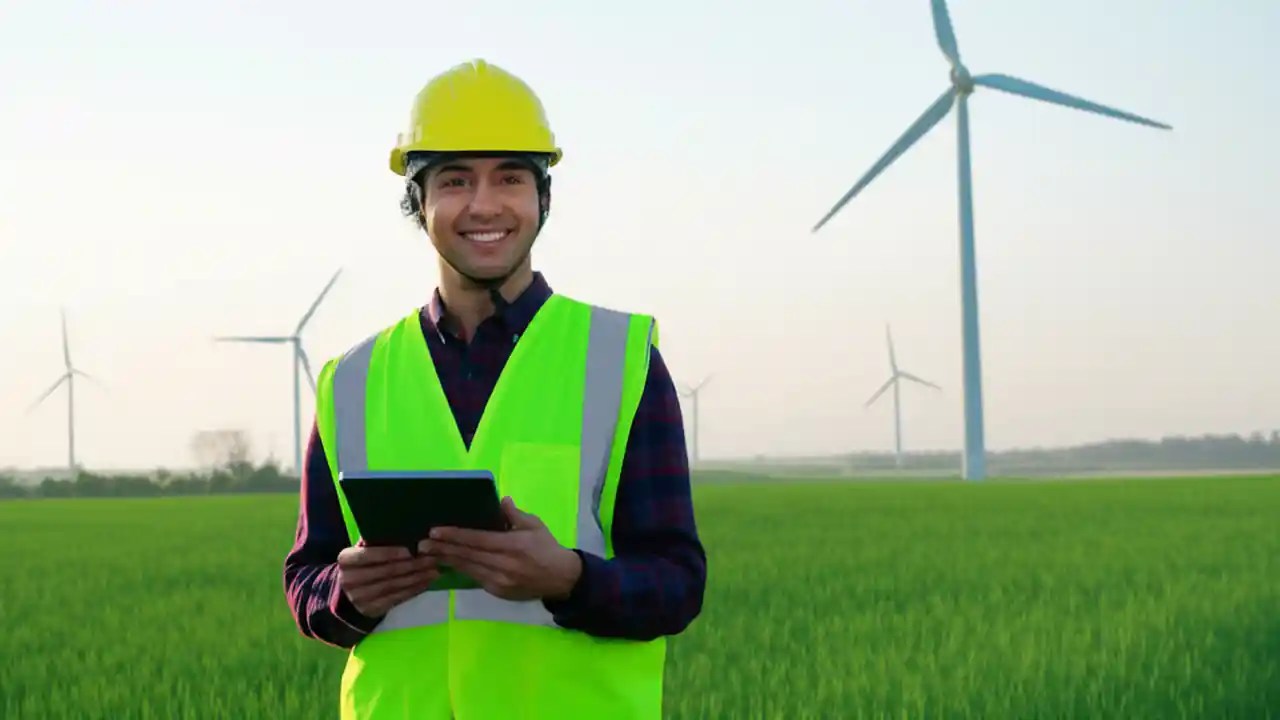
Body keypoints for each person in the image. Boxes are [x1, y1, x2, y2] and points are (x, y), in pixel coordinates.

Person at [282, 58, 707, 720]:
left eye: (510, 177)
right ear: (418, 203)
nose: (484, 205)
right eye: (455, 180)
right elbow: (307, 583)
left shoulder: (621, 362)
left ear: (543, 197)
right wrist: (349, 594)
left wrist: (568, 578)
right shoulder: (352, 380)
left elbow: (678, 584)